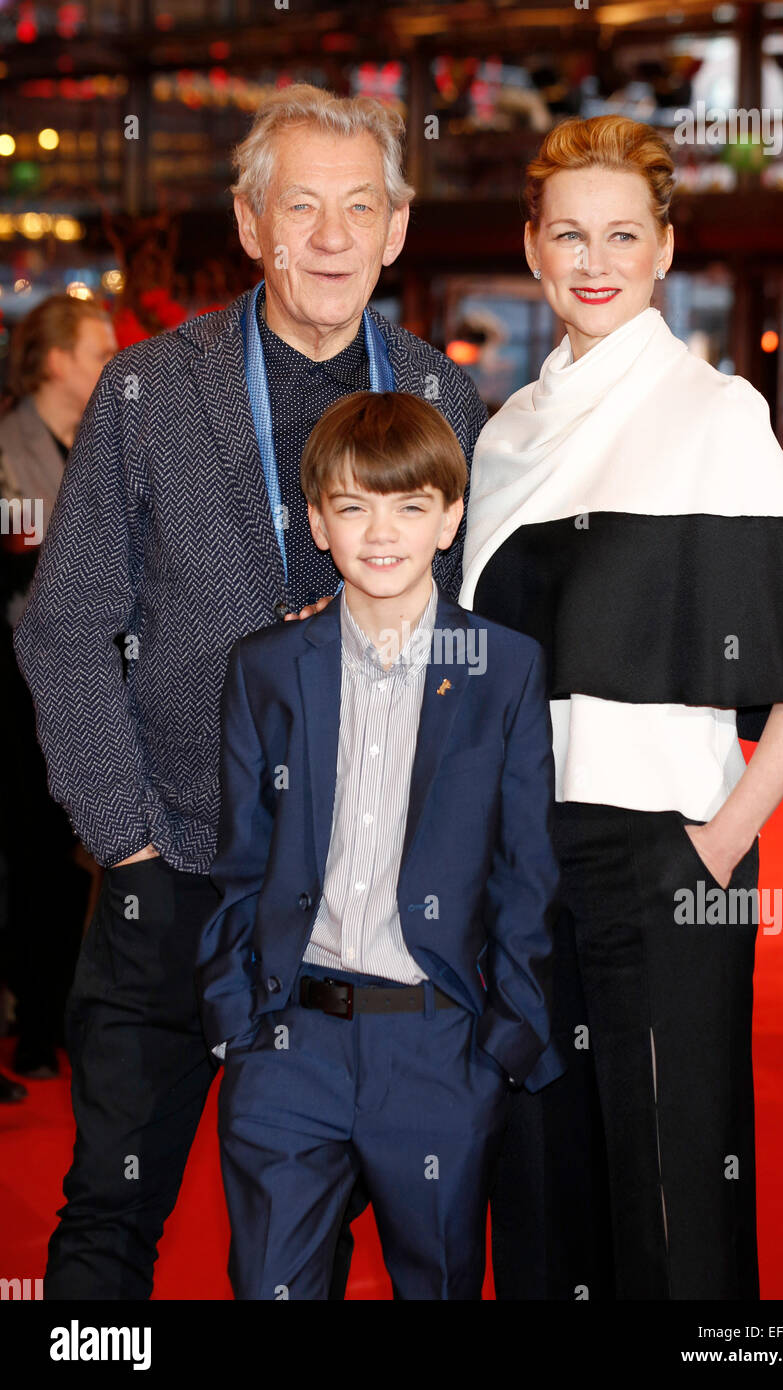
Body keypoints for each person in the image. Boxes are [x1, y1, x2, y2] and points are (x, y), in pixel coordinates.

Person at [13, 86, 487, 1301]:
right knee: (109, 1214)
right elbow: (66, 627)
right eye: (300, 206)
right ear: (249, 221)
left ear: (395, 231)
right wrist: (123, 841)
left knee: (302, 1244)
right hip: (173, 871)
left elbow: (479, 643)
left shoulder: (441, 400)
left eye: (359, 209)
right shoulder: (144, 390)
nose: (329, 237)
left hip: (362, 907)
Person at [459, 114, 783, 1301]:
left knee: (674, 1189)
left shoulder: (712, 414)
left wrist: (721, 839)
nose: (594, 259)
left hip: (662, 854)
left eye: (622, 234)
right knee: (541, 1178)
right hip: (520, 860)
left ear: (663, 248)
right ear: (531, 248)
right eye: (569, 233)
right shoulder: (505, 437)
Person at [197, 390, 562, 1299]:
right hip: (291, 1046)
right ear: (318, 523)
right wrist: (236, 1024)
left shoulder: (503, 668)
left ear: (450, 517)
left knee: (435, 1286)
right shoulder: (268, 669)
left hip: (437, 1048)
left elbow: (528, 871)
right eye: (353, 507)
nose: (382, 532)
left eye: (409, 505)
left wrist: (504, 1042)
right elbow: (241, 858)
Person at [0, 295, 117, 1083]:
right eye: (100, 351)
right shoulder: (8, 452)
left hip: (85, 686)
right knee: (24, 861)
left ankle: (49, 1017)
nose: (116, 363)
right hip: (13, 688)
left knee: (63, 865)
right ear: (53, 362)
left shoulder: (107, 445)